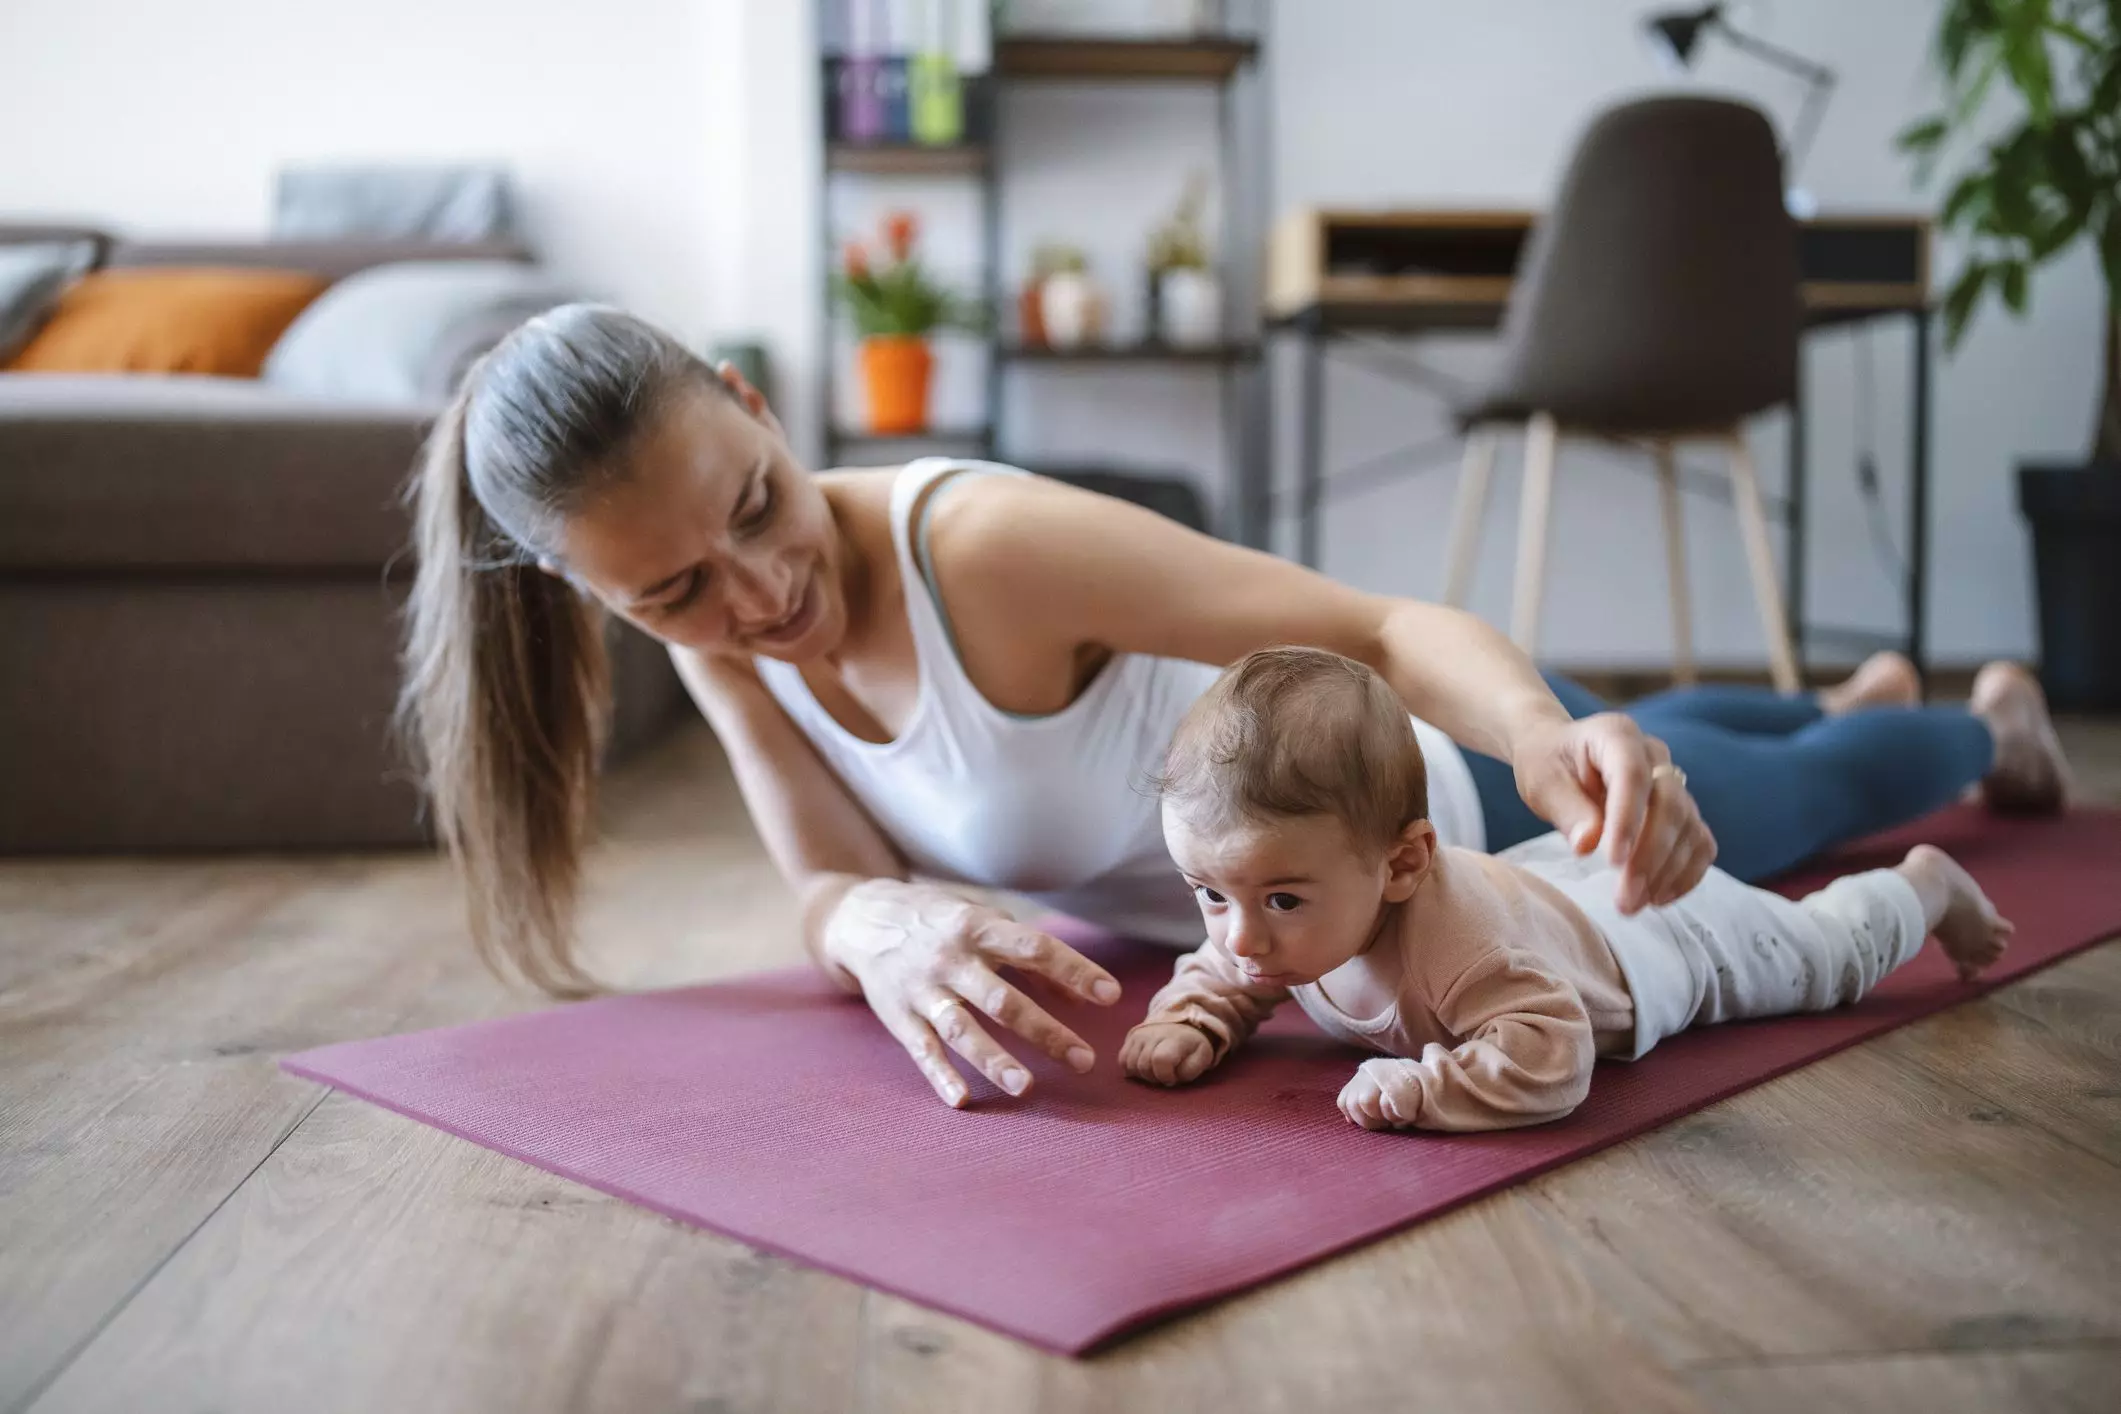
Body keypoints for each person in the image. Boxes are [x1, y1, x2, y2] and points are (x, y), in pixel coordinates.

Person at [399, 305, 2069, 1109]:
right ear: (602, 599)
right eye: (674, 589)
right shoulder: (719, 624)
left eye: (756, 501)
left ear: (756, 403)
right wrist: (884, 927)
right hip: (1252, 907)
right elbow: (830, 877)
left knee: (1807, 801)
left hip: (1422, 823)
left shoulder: (983, 545)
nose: (754, 592)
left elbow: (1378, 624)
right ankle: (1811, 697)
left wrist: (1541, 746)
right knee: (1688, 724)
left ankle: (1980, 723)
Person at [1120, 648, 2012, 1130]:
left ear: (1400, 865)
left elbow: (1554, 1056)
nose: (1239, 936)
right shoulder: (1274, 919)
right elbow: (1222, 969)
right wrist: (1186, 1019)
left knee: (1822, 957)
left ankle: (1919, 888)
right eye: (1207, 892)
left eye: (1277, 900)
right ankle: (1839, 703)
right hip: (1539, 879)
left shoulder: (1466, 960)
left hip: (1658, 935)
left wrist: (1426, 1089)